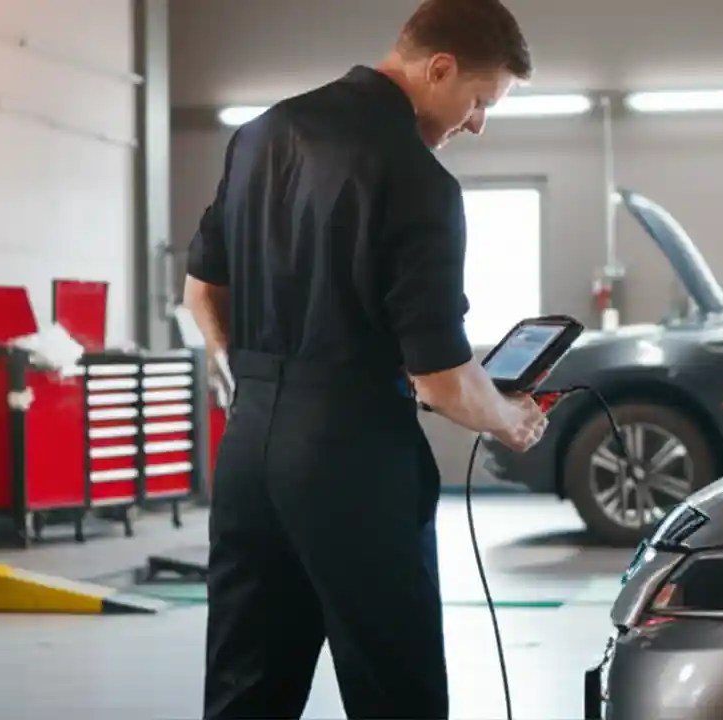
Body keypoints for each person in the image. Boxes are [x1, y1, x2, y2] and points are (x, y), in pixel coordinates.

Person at [183, 1, 544, 717]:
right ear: (439, 69)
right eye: (479, 100)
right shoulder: (418, 179)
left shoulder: (260, 135)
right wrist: (509, 418)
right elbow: (441, 381)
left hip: (249, 450)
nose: (477, 123)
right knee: (395, 690)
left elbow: (201, 290)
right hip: (353, 460)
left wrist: (248, 385)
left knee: (245, 688)